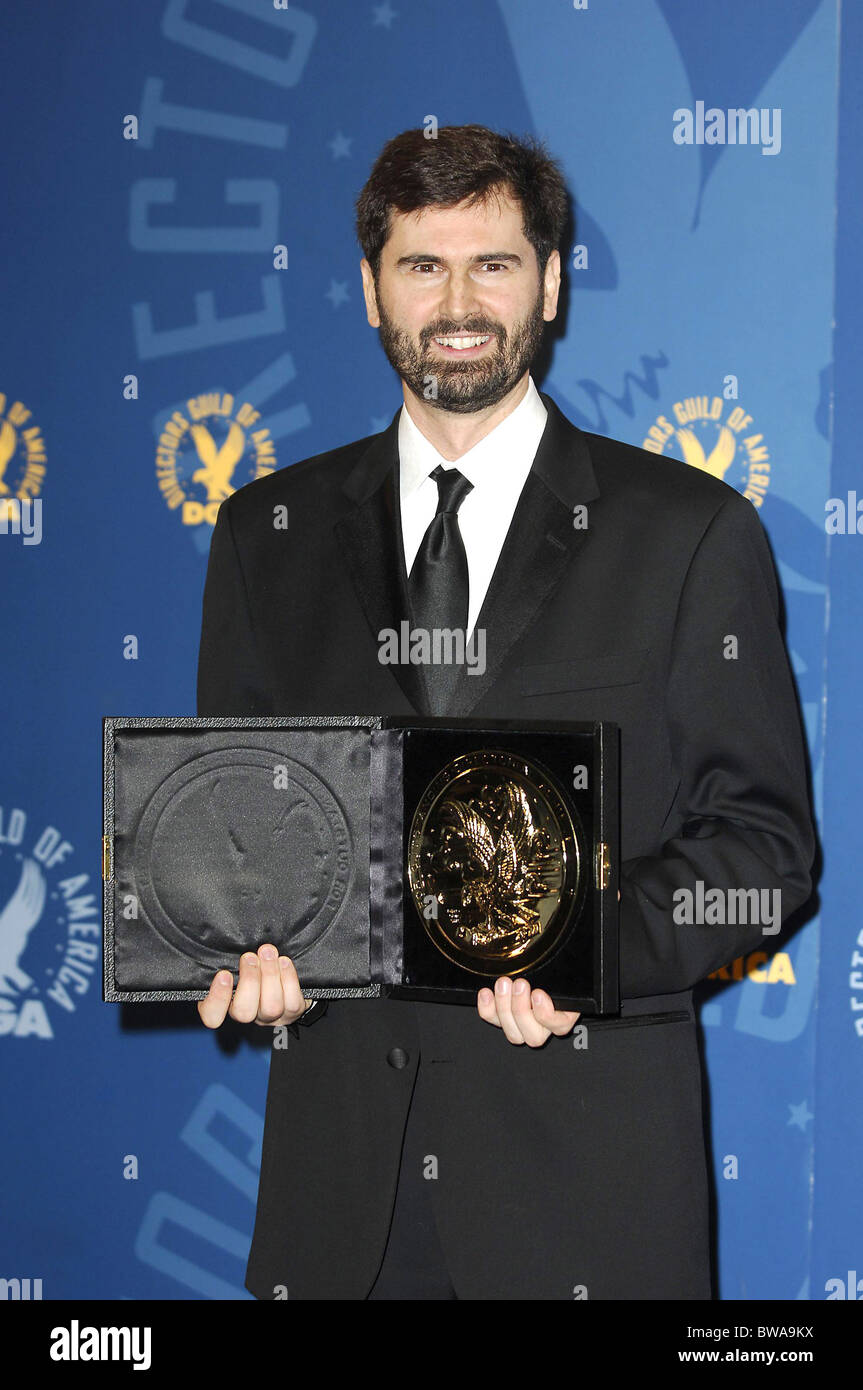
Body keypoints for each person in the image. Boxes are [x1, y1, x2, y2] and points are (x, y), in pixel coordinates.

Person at [195, 125, 815, 1300]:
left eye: (495, 263)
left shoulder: (684, 534)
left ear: (552, 281)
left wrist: (577, 949)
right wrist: (244, 943)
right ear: (371, 287)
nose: (458, 302)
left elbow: (765, 848)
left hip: (584, 1199)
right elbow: (239, 827)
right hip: (342, 1211)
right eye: (422, 265)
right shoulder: (262, 537)